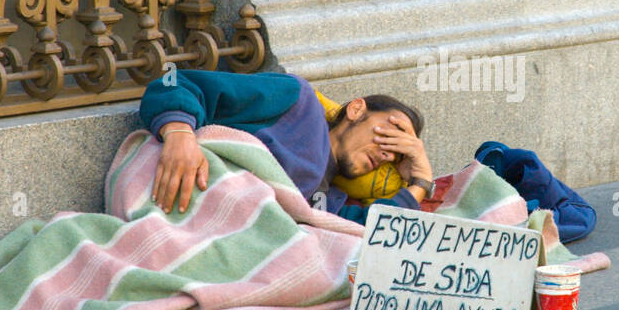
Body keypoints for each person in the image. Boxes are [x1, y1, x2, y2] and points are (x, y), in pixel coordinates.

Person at [139, 68, 433, 223]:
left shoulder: (327, 199)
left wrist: (420, 181)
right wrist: (179, 133)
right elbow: (173, 81)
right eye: (391, 131)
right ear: (356, 110)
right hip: (177, 193)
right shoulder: (297, 100)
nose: (388, 152)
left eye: (396, 155)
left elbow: (375, 231)